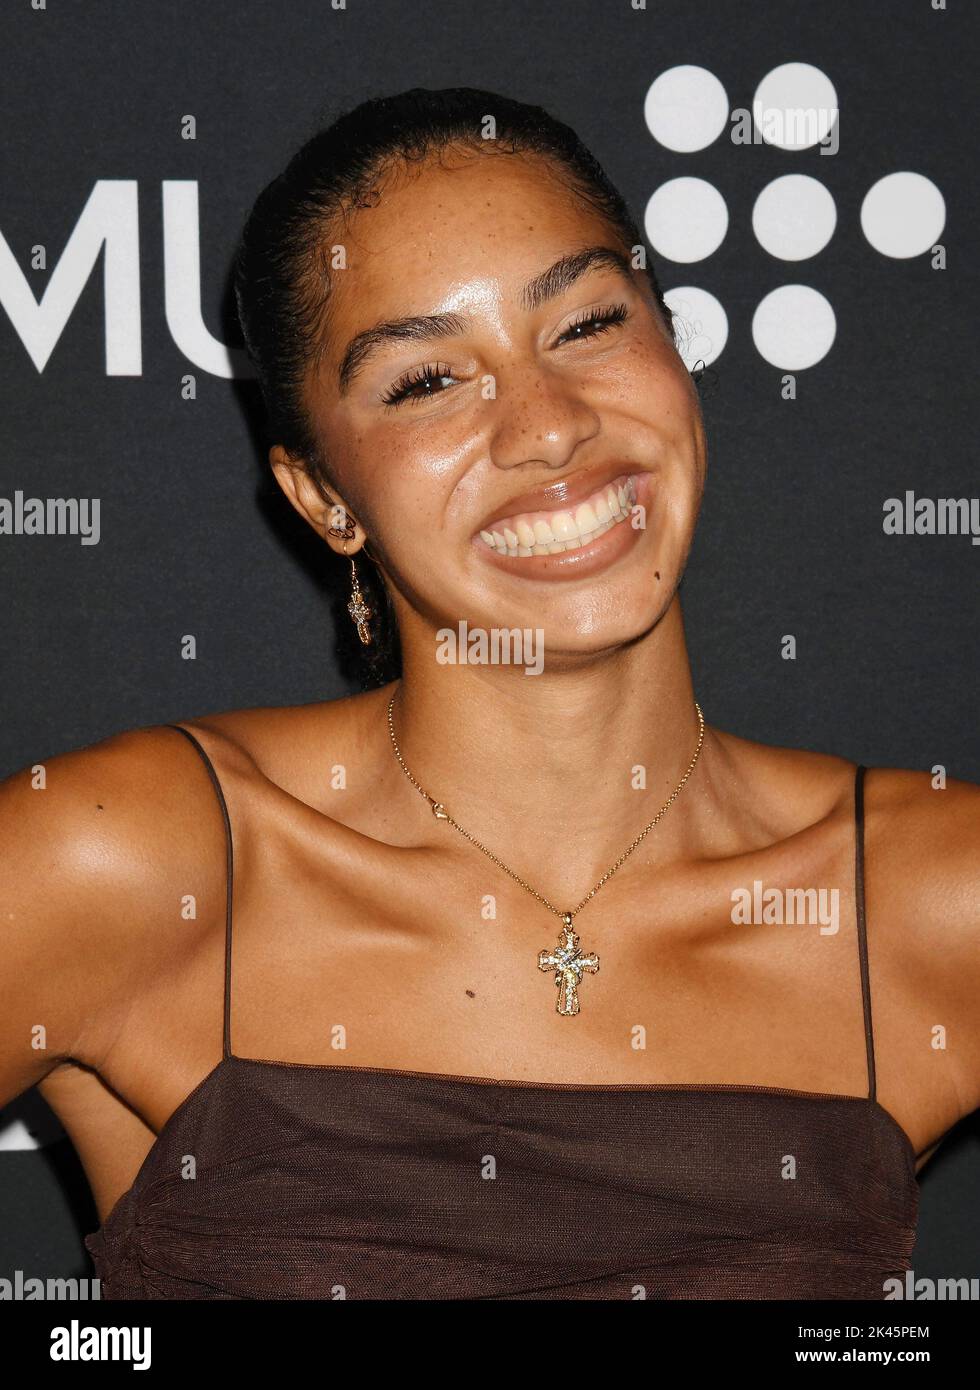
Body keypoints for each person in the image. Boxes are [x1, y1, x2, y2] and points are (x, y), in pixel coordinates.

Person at [2, 87, 977, 1300]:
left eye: (583, 324)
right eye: (423, 382)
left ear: (672, 346)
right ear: (320, 497)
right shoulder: (131, 863)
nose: (547, 425)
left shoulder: (931, 899)